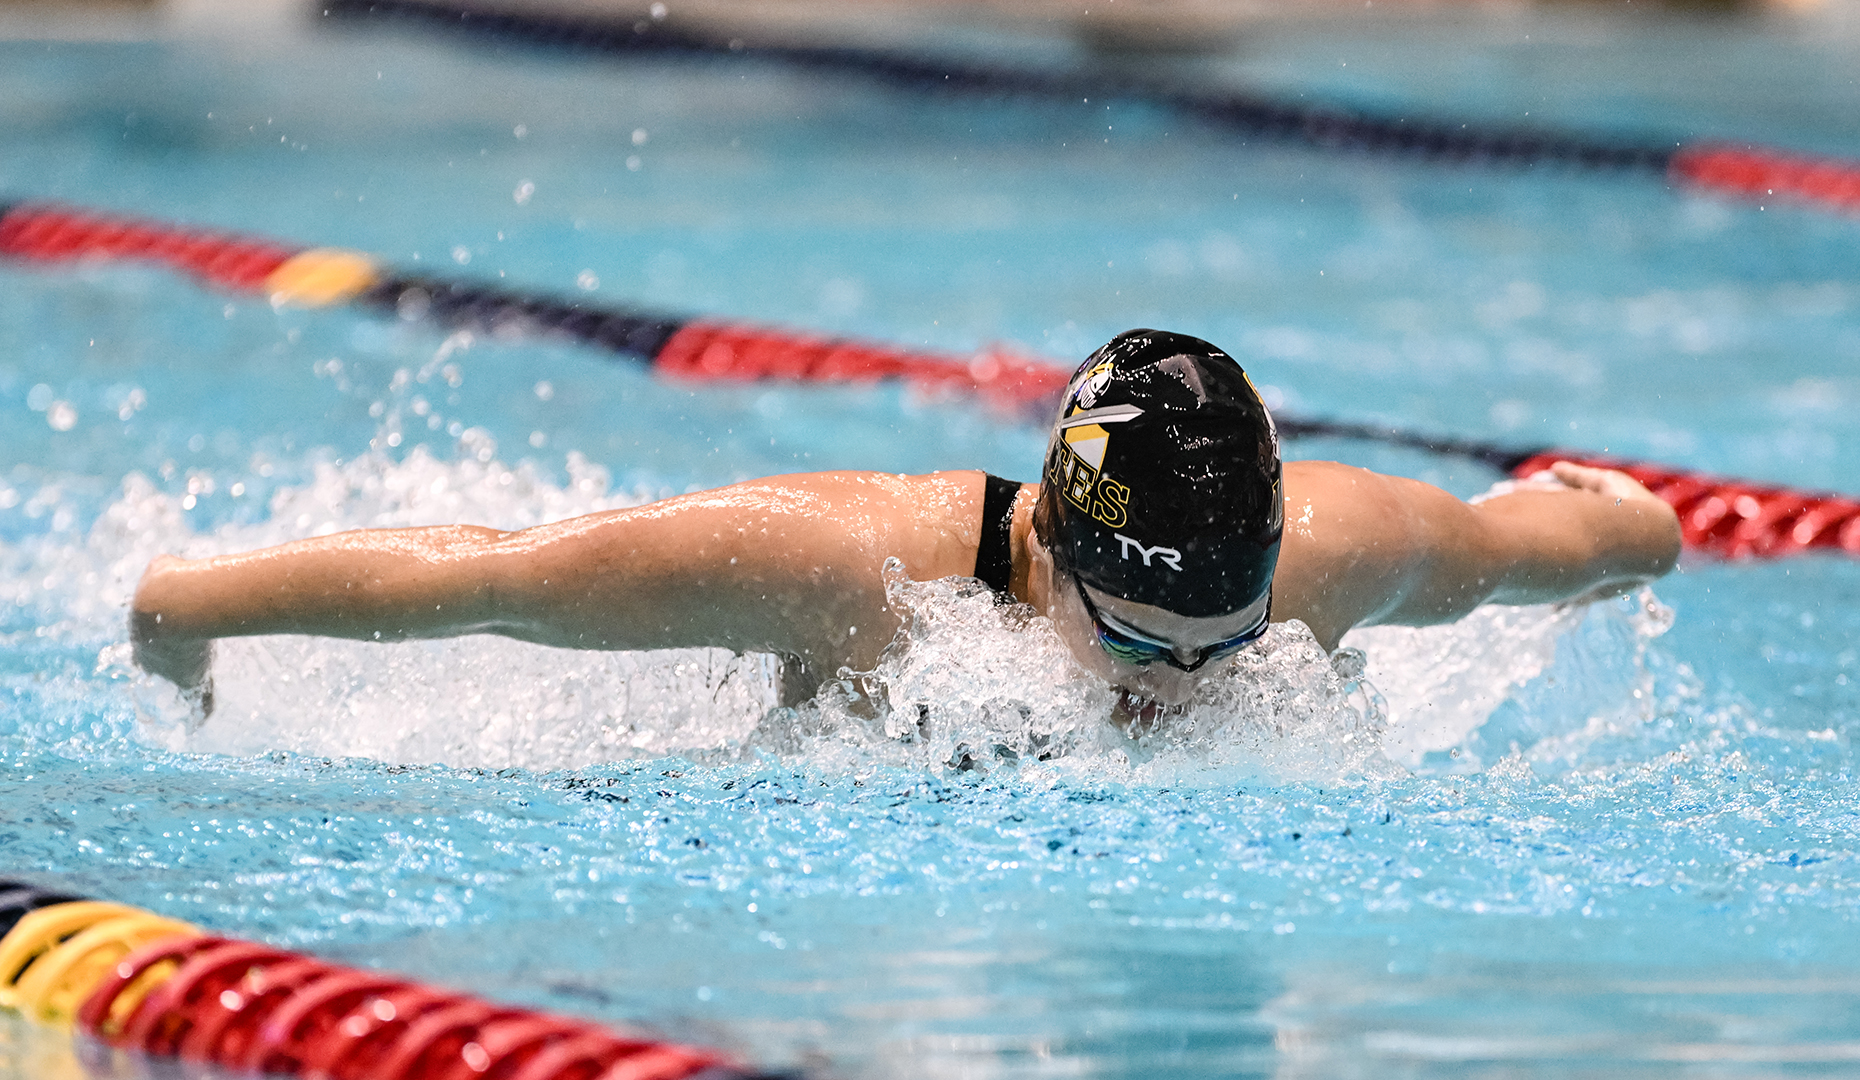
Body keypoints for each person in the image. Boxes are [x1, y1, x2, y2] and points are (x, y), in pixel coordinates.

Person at [130, 329, 1682, 716]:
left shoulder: (1341, 552)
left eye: (1222, 650)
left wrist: (1647, 532)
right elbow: (490, 582)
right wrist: (186, 612)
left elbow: (1561, 542)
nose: (1176, 692)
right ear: (1059, 559)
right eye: (1143, 641)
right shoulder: (844, 570)